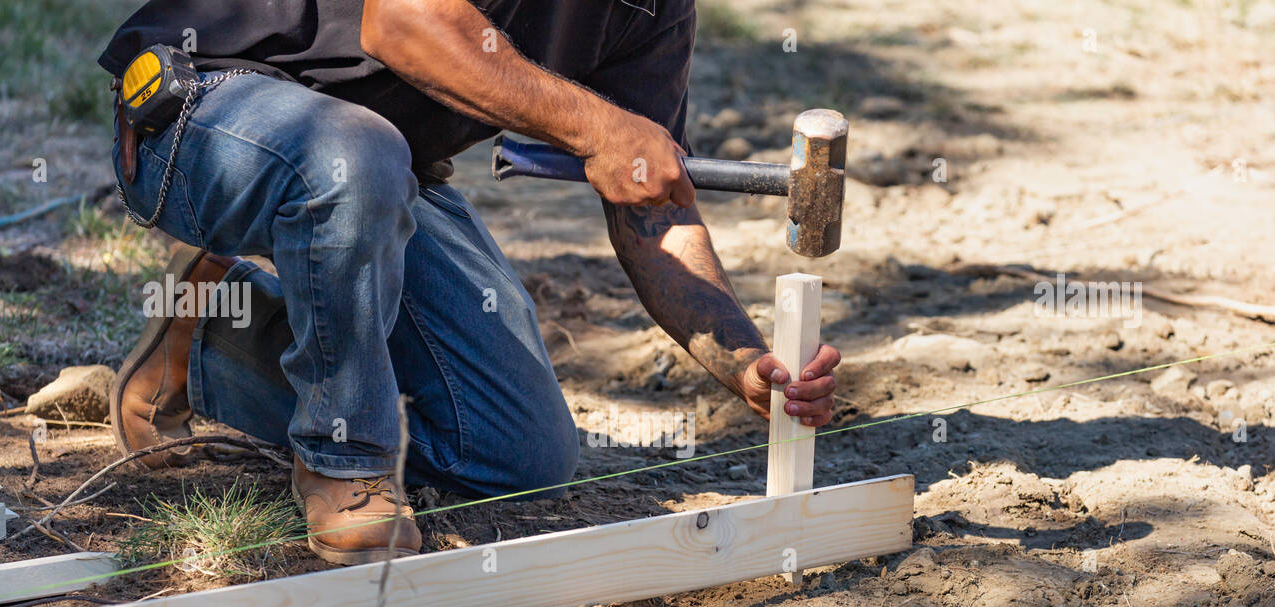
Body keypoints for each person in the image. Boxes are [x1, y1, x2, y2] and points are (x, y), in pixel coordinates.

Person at [100, 0, 842, 565]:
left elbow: (652, 211)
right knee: (352, 158)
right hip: (200, 112)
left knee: (519, 454)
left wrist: (745, 360)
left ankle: (212, 335)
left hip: (380, 179)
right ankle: (343, 461)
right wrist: (596, 129)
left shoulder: (651, 10)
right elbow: (404, 21)